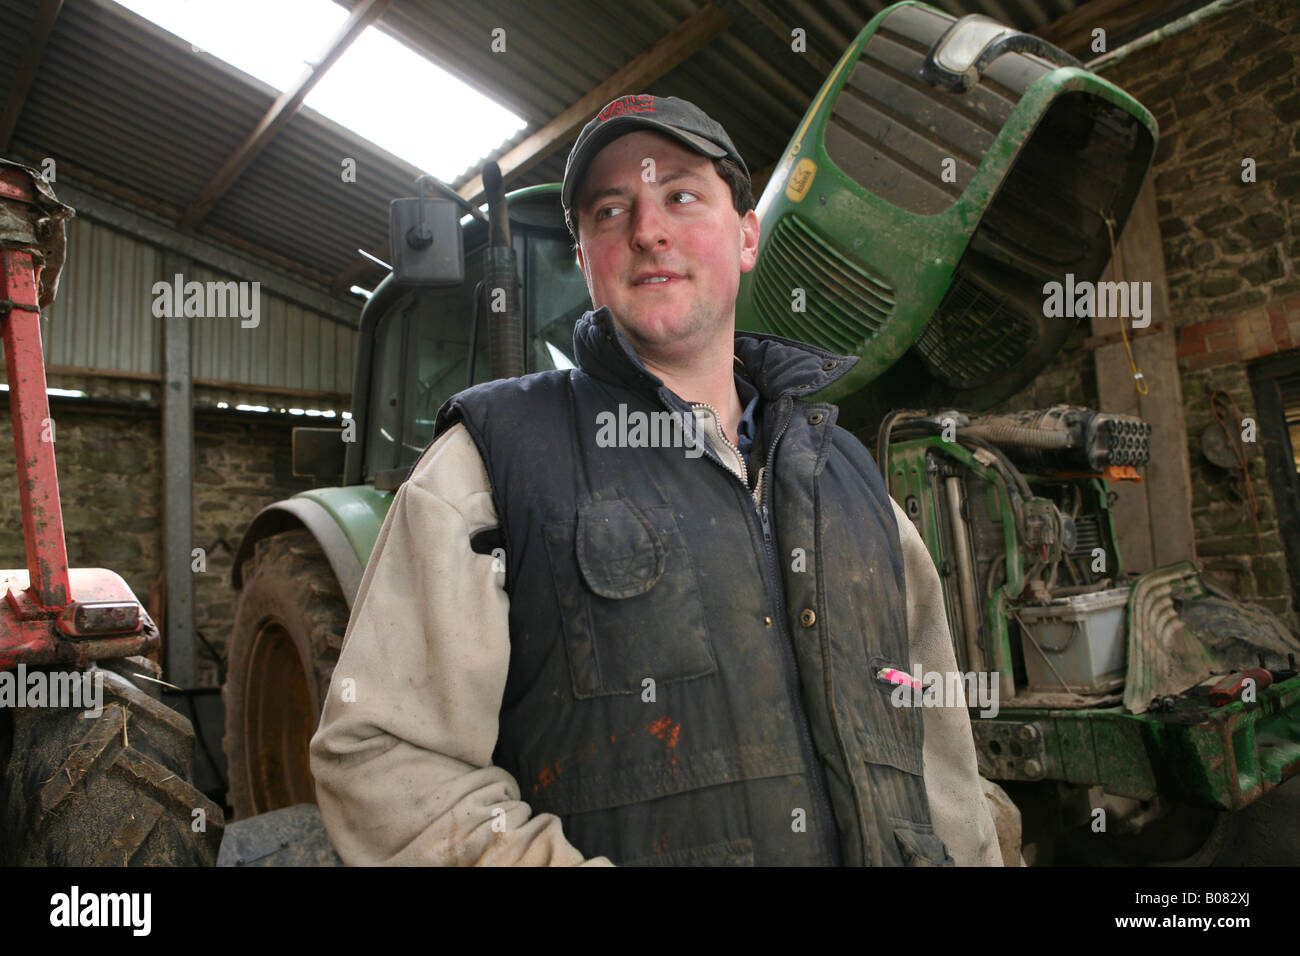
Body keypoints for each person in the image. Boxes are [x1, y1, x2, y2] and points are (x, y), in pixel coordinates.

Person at [310, 94, 1002, 867]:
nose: (647, 230)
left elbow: (941, 760)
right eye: (609, 212)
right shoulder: (489, 464)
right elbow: (383, 758)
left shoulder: (853, 481)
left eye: (680, 194)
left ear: (746, 236)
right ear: (585, 261)